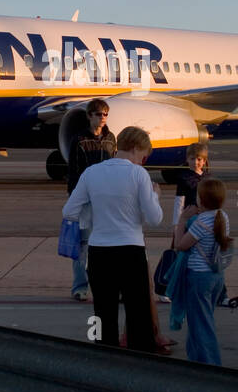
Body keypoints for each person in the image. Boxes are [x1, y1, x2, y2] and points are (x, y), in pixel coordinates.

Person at [62, 125, 164, 354]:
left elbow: (69, 211)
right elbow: (155, 218)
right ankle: (140, 362)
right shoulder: (138, 174)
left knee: (103, 312)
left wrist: (92, 216)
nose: (143, 160)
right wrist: (155, 197)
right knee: (138, 313)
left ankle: (104, 359)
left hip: (99, 251)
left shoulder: (91, 173)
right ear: (136, 148)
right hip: (131, 250)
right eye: (143, 155)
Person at [172, 177, 234, 365]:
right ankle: (196, 358)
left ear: (202, 200)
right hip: (216, 275)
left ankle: (211, 364)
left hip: (199, 277)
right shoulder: (222, 216)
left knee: (202, 324)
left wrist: (182, 220)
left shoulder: (201, 223)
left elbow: (180, 245)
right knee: (201, 320)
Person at [65, 99, 116, 301]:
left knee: (108, 244)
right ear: (89, 116)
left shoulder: (111, 139)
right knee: (84, 244)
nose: (101, 118)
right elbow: (73, 172)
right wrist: (73, 200)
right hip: (86, 199)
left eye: (104, 114)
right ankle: (80, 286)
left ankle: (107, 285)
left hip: (106, 199)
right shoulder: (79, 141)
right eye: (97, 114)